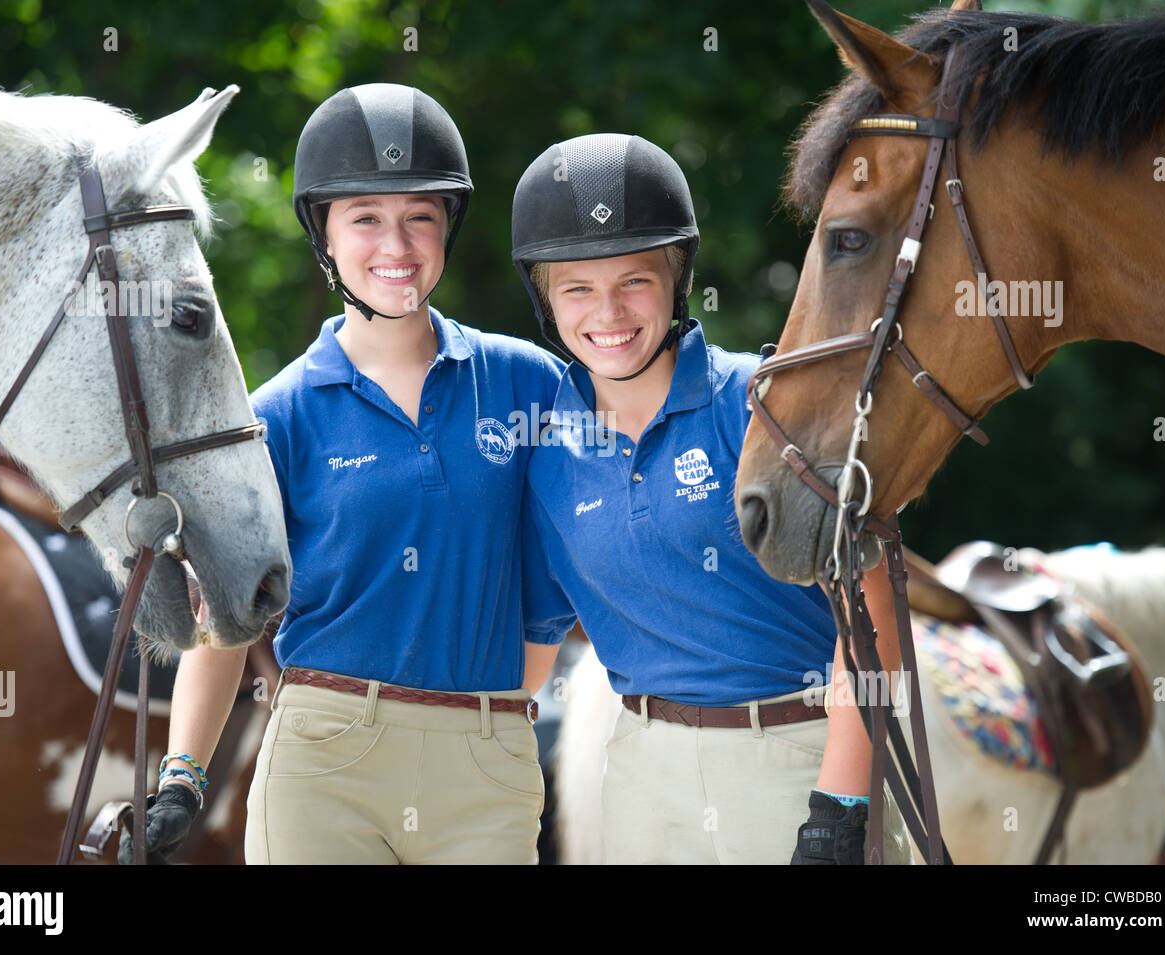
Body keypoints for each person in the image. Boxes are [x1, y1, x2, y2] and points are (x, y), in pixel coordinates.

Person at [120, 83, 569, 865]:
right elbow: (228, 616)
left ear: (447, 229)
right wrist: (182, 776)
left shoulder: (531, 384)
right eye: (365, 218)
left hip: (487, 756)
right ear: (323, 234)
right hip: (326, 755)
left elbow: (579, 548)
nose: (395, 244)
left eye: (419, 217)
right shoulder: (276, 416)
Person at [512, 133, 912, 864]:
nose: (608, 311)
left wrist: (842, 808)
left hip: (796, 758)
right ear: (545, 297)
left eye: (634, 280)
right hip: (637, 774)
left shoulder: (760, 406)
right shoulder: (544, 456)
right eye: (577, 288)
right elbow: (532, 650)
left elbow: (874, 618)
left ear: (676, 278)